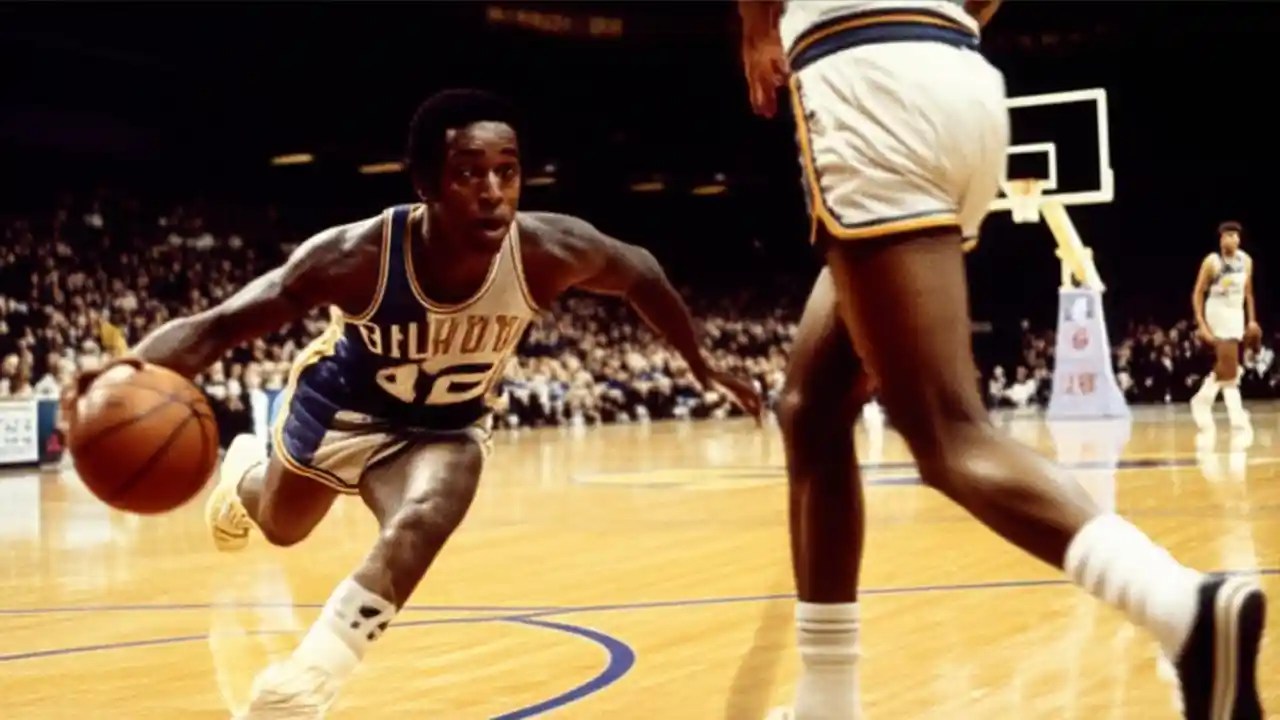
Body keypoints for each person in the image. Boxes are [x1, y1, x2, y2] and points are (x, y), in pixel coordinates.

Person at [66, 88, 762, 718]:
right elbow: (219, 327)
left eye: (508, 171)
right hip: (341, 408)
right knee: (281, 527)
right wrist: (123, 371)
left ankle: (305, 684)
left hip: (445, 427)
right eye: (468, 174)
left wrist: (700, 362)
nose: (493, 192)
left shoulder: (550, 249)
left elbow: (642, 273)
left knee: (428, 512)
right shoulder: (355, 256)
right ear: (426, 184)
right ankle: (245, 470)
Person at [736, 2, 1267, 719]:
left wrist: (756, 28)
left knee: (949, 434)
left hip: (865, 77)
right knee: (812, 405)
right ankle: (826, 704)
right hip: (960, 76)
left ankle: (1183, 607)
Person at [1190, 220, 1260, 434]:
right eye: (1229, 235)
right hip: (1217, 311)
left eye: (1236, 235)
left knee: (1229, 368)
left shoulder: (1246, 261)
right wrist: (1201, 324)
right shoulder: (1212, 262)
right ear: (1221, 239)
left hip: (1236, 312)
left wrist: (1252, 320)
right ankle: (1235, 415)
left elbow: (1248, 293)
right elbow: (1197, 293)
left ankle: (1205, 401)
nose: (1234, 239)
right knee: (1229, 362)